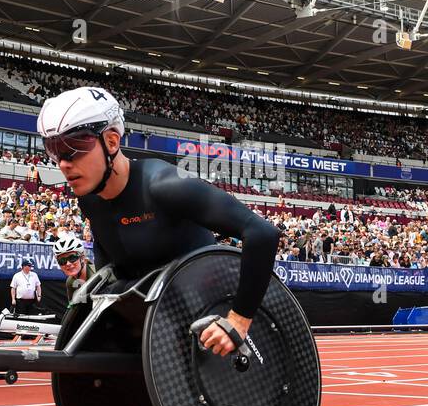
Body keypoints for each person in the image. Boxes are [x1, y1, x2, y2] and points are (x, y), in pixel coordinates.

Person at [37, 86, 280, 356]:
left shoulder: (166, 185)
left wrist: (237, 321)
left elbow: (262, 232)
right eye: (54, 151)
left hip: (212, 326)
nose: (63, 163)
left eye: (74, 148)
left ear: (112, 141)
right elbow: (109, 246)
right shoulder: (89, 199)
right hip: (161, 330)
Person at [55, 233, 95, 313]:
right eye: (62, 261)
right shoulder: (70, 282)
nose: (68, 264)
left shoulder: (97, 273)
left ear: (82, 257)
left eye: (72, 258)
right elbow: (73, 310)